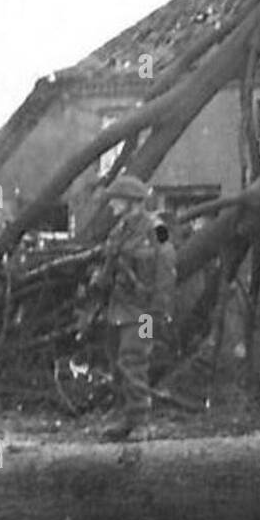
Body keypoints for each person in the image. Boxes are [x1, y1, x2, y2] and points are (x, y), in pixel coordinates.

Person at [95, 174, 175, 442]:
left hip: (144, 312)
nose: (112, 205)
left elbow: (167, 268)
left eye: (116, 200)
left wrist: (159, 310)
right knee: (118, 366)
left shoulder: (158, 229)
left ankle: (141, 421)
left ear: (131, 202)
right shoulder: (118, 231)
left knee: (134, 362)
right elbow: (108, 268)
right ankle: (126, 420)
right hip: (118, 309)